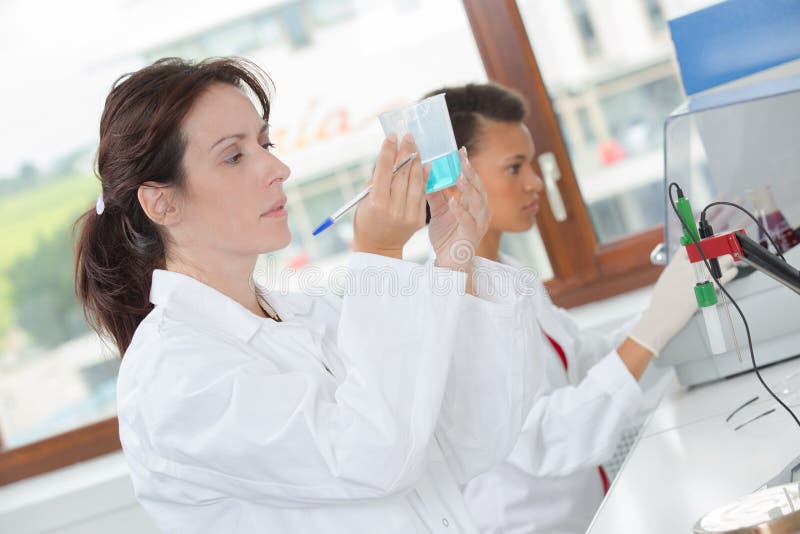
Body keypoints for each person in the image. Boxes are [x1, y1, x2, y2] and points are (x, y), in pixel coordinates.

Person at [74, 58, 546, 534]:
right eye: (234, 156)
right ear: (162, 202)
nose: (278, 168)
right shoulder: (176, 379)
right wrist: (380, 250)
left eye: (265, 143)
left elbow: (462, 444)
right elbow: (374, 458)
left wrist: (454, 257)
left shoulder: (310, 314)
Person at [424, 83, 737, 534]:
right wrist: (652, 328)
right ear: (455, 183)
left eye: (530, 163)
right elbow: (544, 439)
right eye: (515, 168)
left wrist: (672, 308)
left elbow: (584, 360)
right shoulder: (448, 302)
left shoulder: (509, 273)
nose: (534, 182)